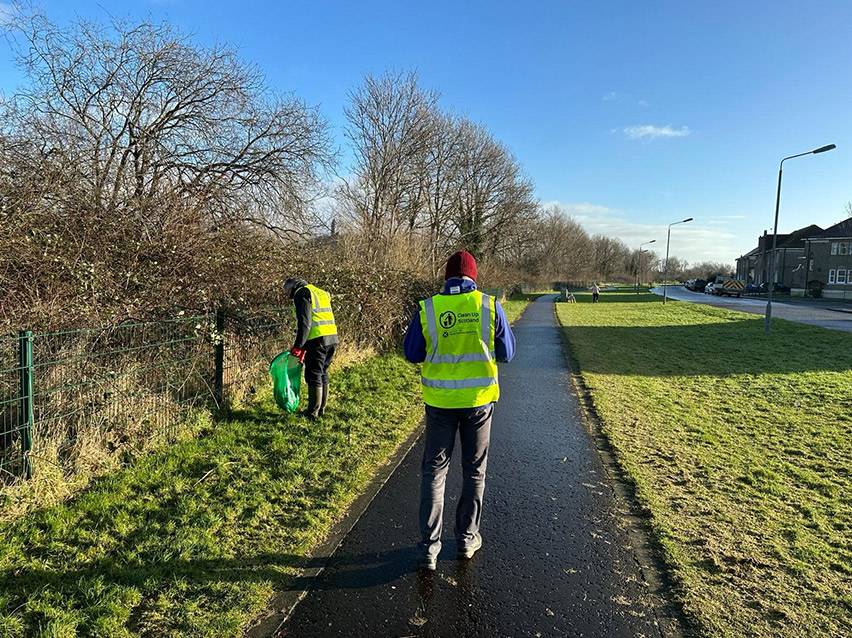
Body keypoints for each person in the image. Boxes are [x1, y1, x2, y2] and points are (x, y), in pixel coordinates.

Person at [403, 250, 516, 571]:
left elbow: (412, 352)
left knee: (434, 472)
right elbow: (507, 353)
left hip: (439, 403)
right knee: (474, 470)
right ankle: (467, 538)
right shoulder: (489, 306)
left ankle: (429, 547)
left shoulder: (429, 308)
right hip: (479, 403)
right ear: (474, 276)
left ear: (446, 276)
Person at [283, 278, 338, 419]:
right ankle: (321, 409)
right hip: (332, 337)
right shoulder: (319, 292)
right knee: (323, 373)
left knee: (313, 375)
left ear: (292, 288)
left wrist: (298, 346)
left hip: (317, 339)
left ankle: (312, 413)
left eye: (286, 291)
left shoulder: (301, 293)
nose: (287, 295)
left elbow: (305, 323)